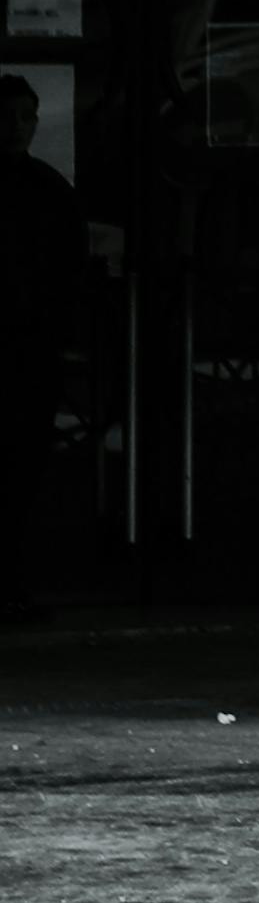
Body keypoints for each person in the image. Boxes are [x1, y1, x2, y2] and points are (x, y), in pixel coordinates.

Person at [1, 78, 85, 621]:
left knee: (21, 467)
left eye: (24, 117)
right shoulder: (49, 190)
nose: (16, 127)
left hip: (29, 348)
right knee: (20, 468)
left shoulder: (49, 191)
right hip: (29, 347)